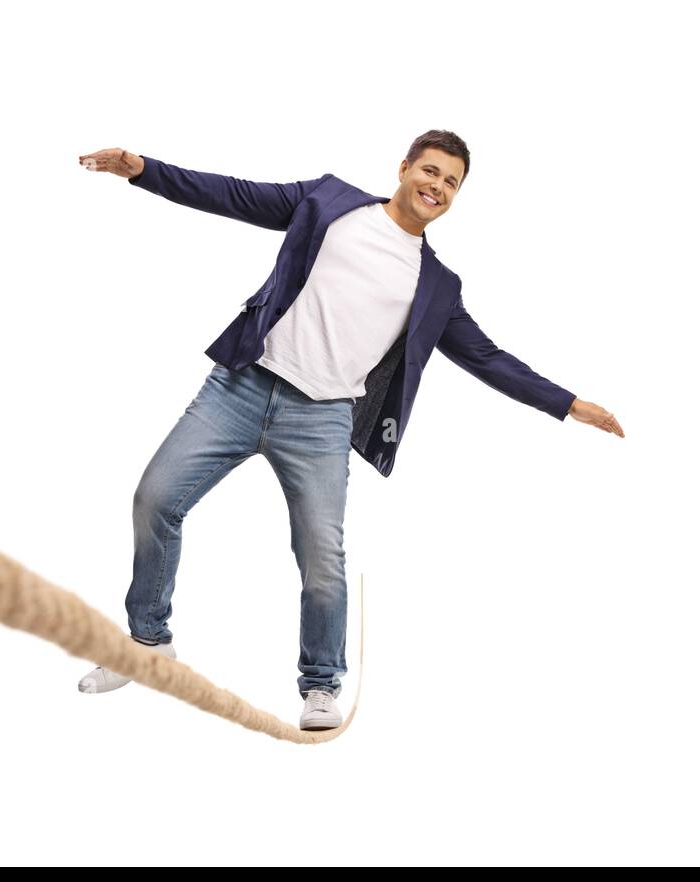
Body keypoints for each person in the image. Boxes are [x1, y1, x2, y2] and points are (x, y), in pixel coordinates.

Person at [74, 131, 624, 731]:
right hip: (241, 387)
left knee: (322, 559)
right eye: (431, 171)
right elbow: (232, 195)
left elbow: (489, 359)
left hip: (322, 419)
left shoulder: (437, 286)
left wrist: (569, 404)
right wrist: (143, 170)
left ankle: (320, 684)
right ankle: (148, 642)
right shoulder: (328, 204)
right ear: (405, 167)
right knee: (155, 499)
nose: (437, 187)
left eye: (451, 183)